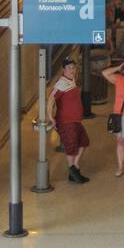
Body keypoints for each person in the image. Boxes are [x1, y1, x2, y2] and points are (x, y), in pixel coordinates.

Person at [48, 56, 90, 184]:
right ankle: (73, 171)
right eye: (69, 68)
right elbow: (50, 100)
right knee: (71, 146)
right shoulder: (61, 84)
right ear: (64, 69)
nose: (72, 70)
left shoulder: (72, 80)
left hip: (76, 121)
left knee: (84, 142)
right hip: (66, 122)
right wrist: (50, 117)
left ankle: (74, 167)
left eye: (73, 67)